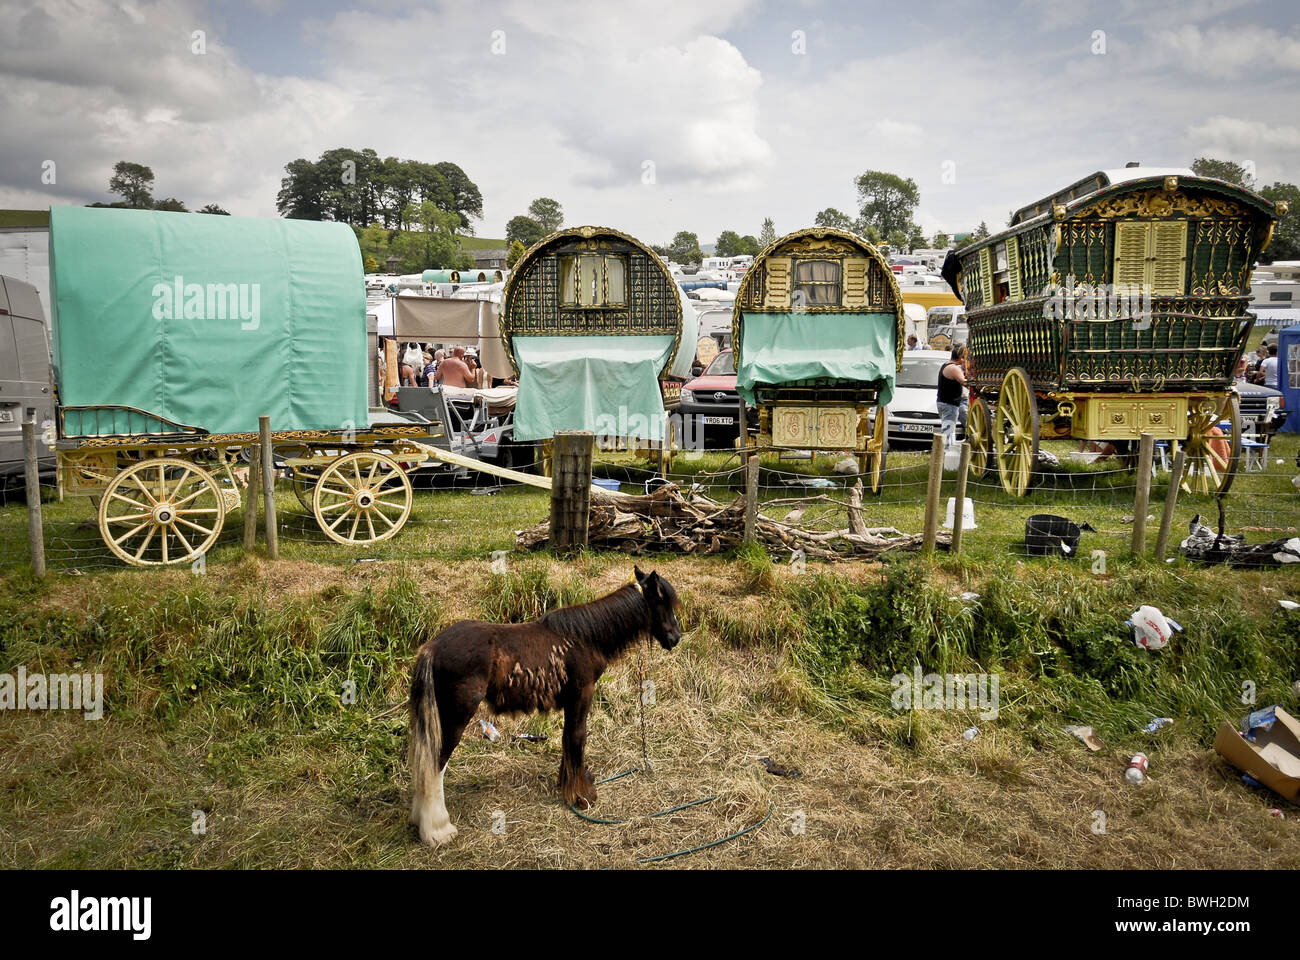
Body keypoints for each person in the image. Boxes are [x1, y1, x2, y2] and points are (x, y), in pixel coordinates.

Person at [936, 344, 968, 446]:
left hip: (944, 402)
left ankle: (947, 454)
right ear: (960, 357)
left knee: (949, 430)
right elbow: (964, 382)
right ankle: (945, 455)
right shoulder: (954, 368)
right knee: (948, 431)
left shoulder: (946, 364)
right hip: (949, 404)